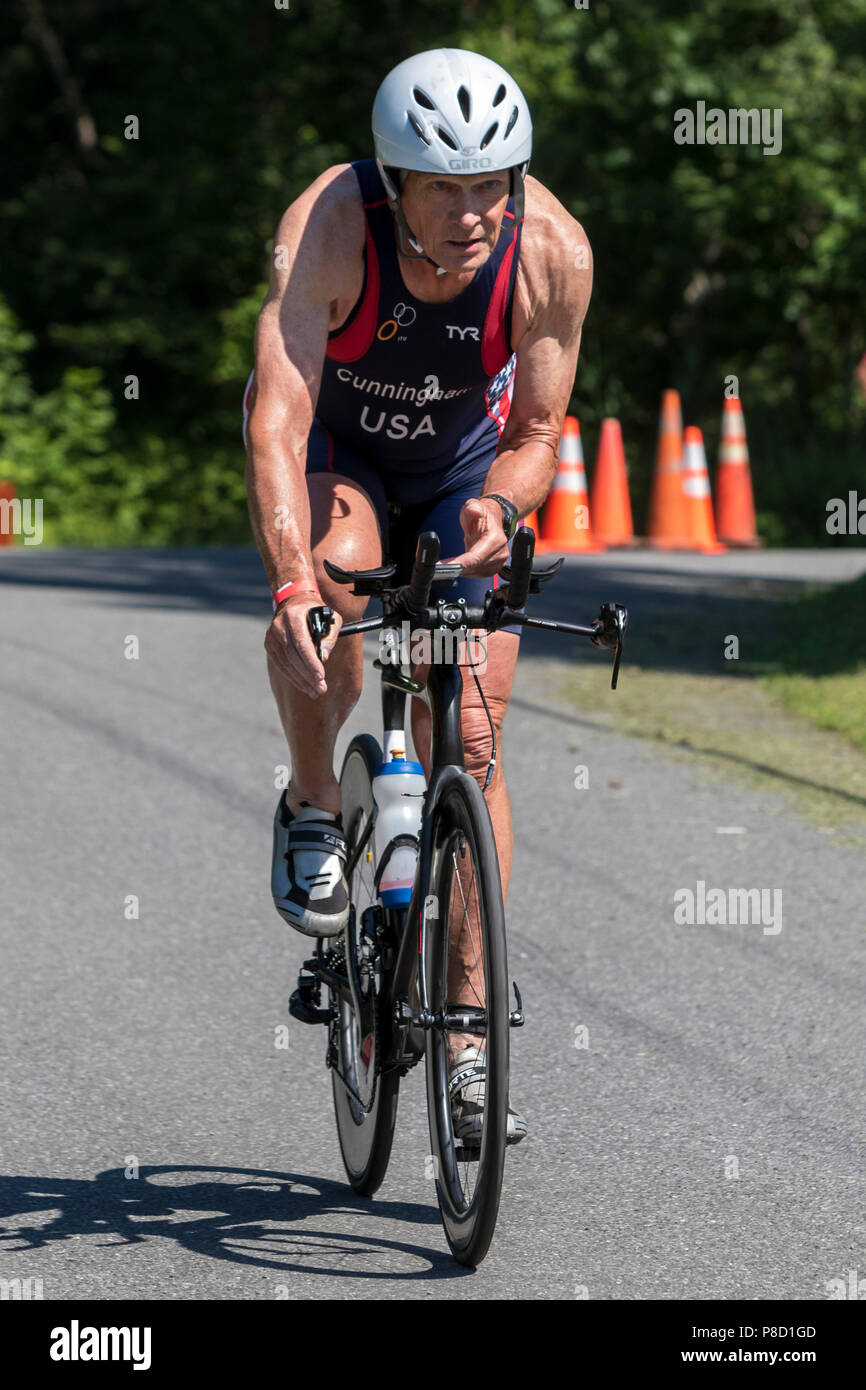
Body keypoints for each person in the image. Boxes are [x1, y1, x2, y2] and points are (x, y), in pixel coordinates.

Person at [244, 47, 592, 1144]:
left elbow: (536, 435)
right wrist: (294, 584)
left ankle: (471, 1037)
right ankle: (311, 803)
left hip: (460, 470)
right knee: (337, 588)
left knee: (473, 734)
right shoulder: (329, 231)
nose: (471, 211)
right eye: (444, 188)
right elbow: (277, 420)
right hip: (339, 449)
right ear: (395, 184)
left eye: (490, 183)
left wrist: (502, 504)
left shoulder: (551, 254)